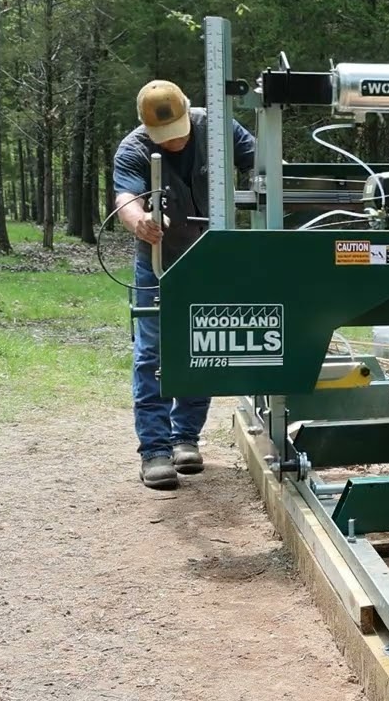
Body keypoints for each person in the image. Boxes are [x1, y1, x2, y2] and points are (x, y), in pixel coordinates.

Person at [112, 79, 256, 490]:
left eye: (178, 134)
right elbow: (125, 197)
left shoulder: (219, 127)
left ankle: (185, 437)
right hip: (158, 260)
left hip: (213, 257)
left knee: (205, 344)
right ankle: (155, 451)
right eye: (164, 139)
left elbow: (263, 166)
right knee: (152, 352)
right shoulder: (134, 148)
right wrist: (138, 220)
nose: (173, 144)